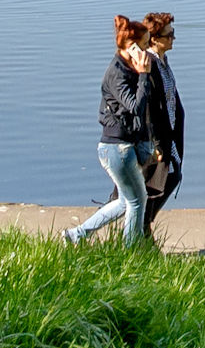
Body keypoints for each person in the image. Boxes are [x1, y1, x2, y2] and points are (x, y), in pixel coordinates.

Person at [62, 13, 163, 247]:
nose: (149, 52)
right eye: (145, 45)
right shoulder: (117, 74)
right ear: (132, 48)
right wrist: (145, 76)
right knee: (138, 201)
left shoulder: (129, 70)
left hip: (123, 146)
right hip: (116, 149)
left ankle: (77, 234)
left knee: (124, 202)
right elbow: (136, 108)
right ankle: (130, 252)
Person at [135, 8, 187, 240]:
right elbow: (149, 107)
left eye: (173, 33)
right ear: (154, 40)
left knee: (172, 176)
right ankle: (142, 229)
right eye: (169, 35)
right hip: (156, 137)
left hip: (170, 133)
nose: (173, 38)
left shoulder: (164, 63)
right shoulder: (151, 65)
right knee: (155, 182)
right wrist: (155, 143)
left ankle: (144, 226)